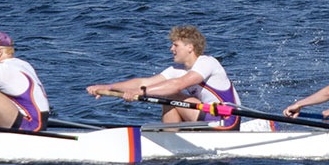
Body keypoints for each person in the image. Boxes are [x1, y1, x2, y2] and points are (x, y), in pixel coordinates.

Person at [86, 25, 243, 127]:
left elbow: (177, 85)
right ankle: (169, 138)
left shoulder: (207, 62)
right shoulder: (177, 69)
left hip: (227, 120)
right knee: (167, 94)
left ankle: (170, 138)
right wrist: (108, 87)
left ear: (190, 47)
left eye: (175, 45)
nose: (171, 49)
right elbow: (143, 82)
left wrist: (140, 93)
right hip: (207, 119)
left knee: (171, 93)